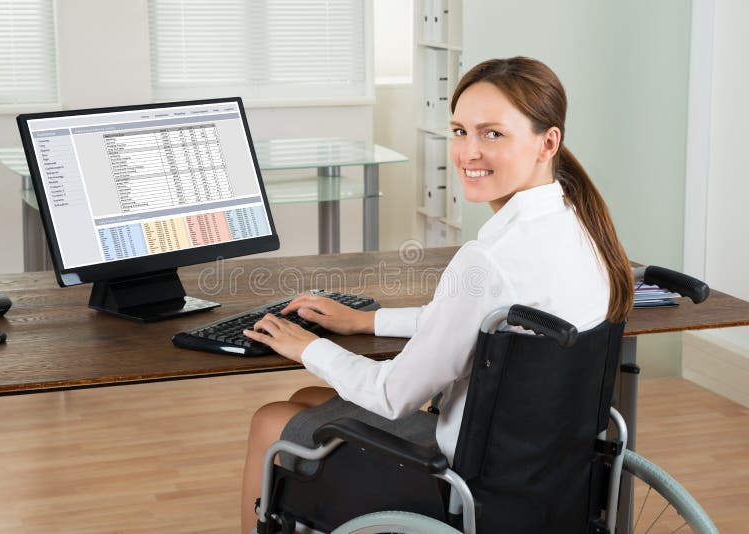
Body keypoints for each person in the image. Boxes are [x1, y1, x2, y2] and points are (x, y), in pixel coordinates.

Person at [239, 56, 633, 532]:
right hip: (542, 474)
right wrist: (367, 321)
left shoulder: (488, 259)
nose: (468, 152)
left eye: (492, 134)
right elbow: (468, 321)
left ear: (547, 143)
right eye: (461, 131)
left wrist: (307, 347)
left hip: (460, 487)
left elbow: (393, 396)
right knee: (308, 397)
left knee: (270, 420)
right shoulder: (583, 228)